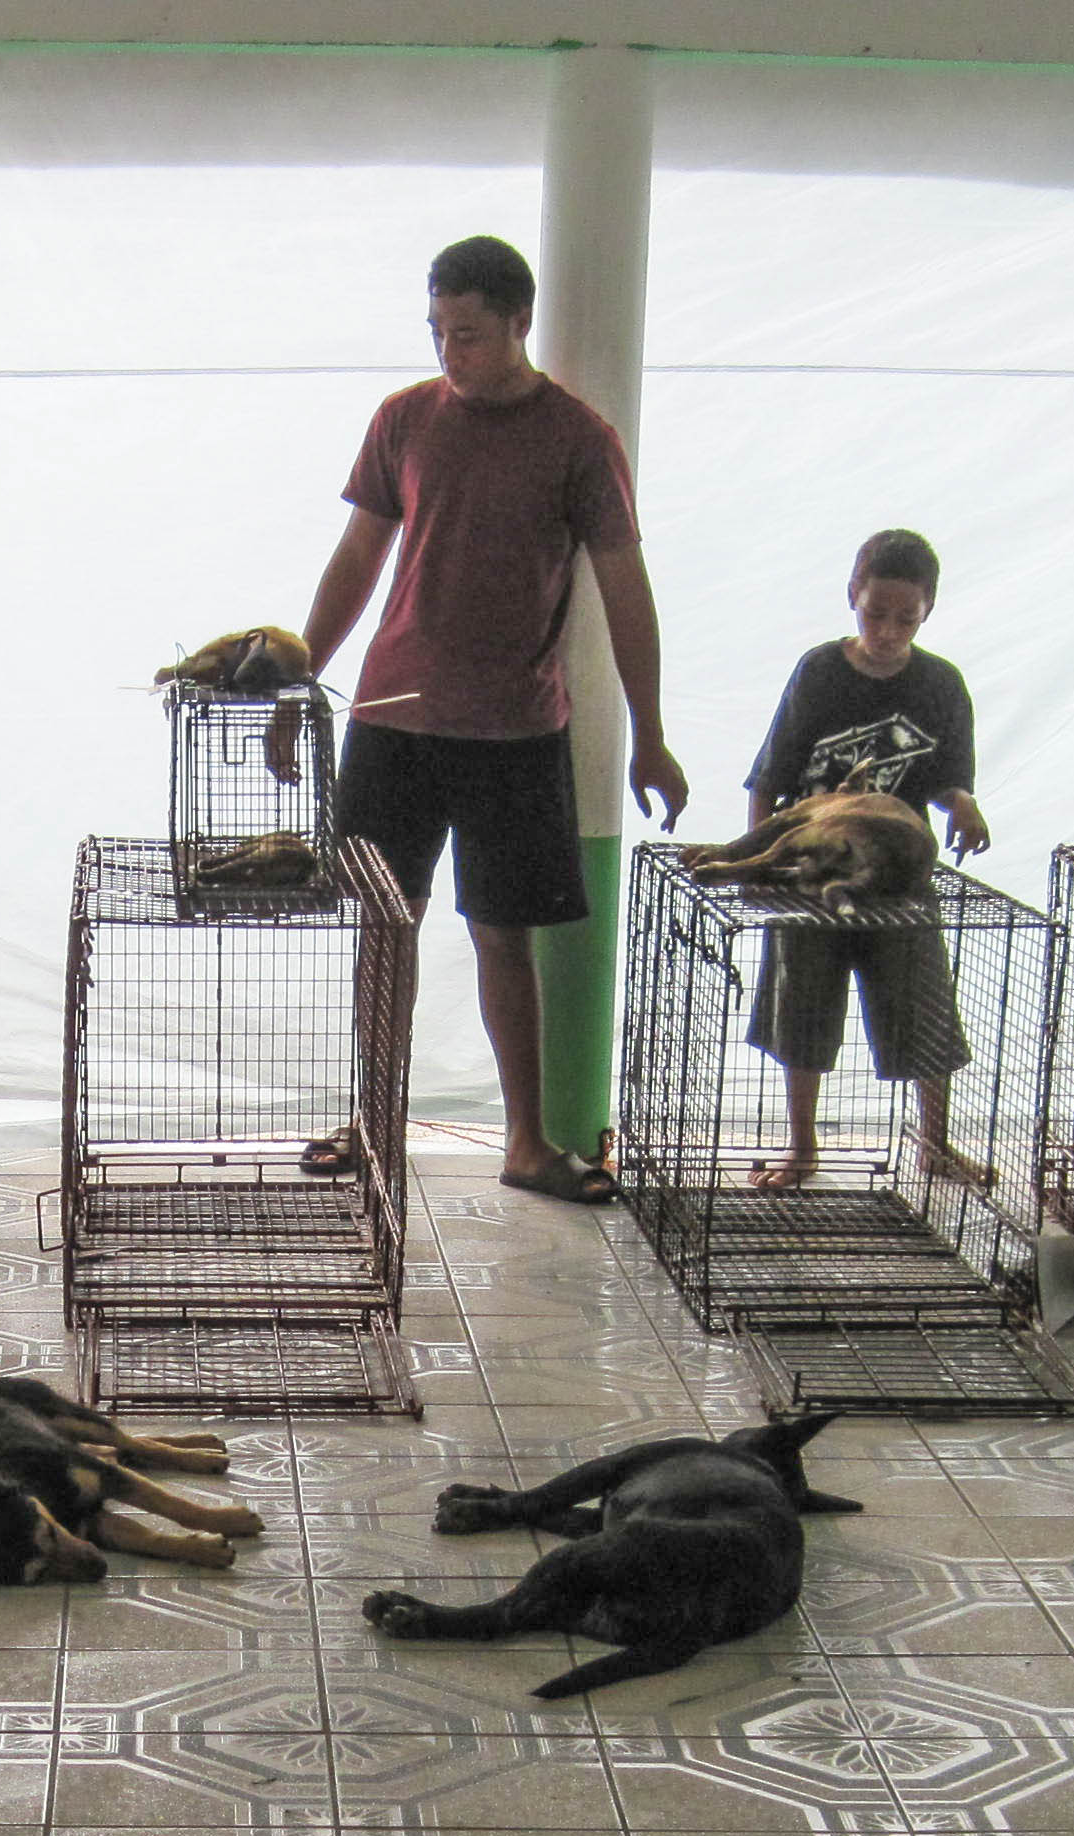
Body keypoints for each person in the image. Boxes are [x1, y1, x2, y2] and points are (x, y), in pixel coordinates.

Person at [292, 232, 689, 1207]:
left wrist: (651, 730)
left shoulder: (579, 440)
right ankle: (372, 1121)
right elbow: (355, 560)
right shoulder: (403, 421)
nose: (448, 352)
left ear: (519, 322)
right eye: (435, 331)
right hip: (392, 719)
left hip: (516, 729)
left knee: (503, 935)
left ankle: (526, 1141)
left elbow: (624, 589)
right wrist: (301, 677)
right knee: (386, 927)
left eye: (466, 333)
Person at [738, 527, 993, 1195]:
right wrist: (763, 857)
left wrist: (962, 804)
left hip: (897, 876)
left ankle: (934, 1143)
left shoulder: (942, 684)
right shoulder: (819, 671)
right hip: (815, 867)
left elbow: (948, 776)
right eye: (876, 612)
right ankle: (803, 1145)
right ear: (852, 596)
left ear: (928, 611)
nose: (887, 629)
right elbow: (770, 775)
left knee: (922, 1007)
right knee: (804, 1009)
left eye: (905, 618)